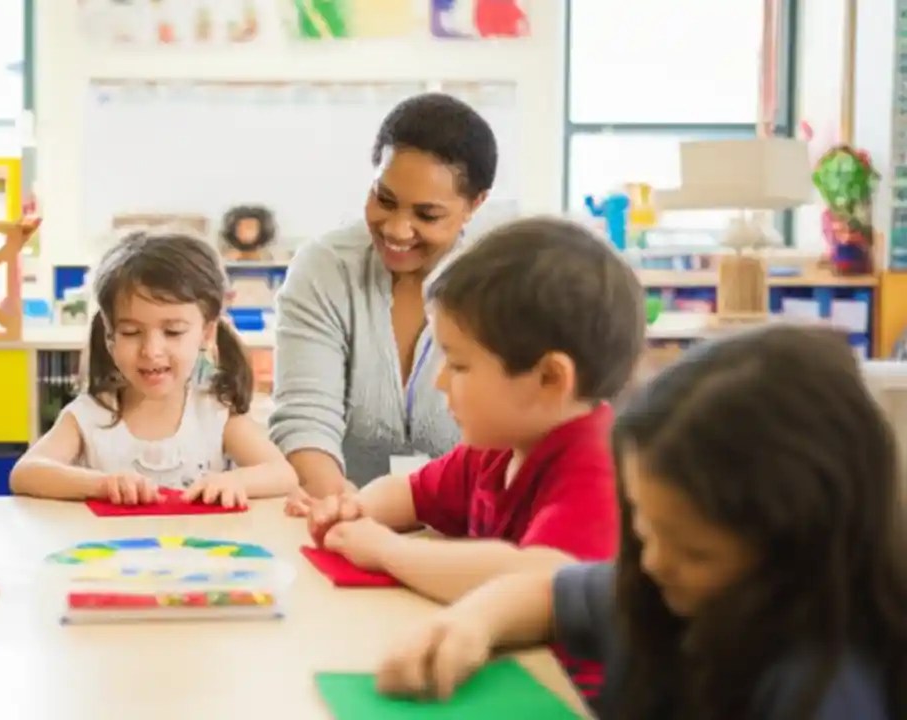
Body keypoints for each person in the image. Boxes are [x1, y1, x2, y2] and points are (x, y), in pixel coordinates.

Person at [376, 324, 907, 720]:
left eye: (694, 551)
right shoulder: (667, 589)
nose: (653, 561)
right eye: (645, 530)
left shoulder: (822, 693)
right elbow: (544, 592)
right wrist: (469, 624)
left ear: (802, 547)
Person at [299, 216, 645, 699]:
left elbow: (539, 579)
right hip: (496, 666)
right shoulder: (494, 450)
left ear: (549, 379)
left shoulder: (597, 464)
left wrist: (389, 551)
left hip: (569, 698)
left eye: (459, 364)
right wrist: (356, 509)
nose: (440, 383)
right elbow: (410, 493)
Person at [269, 92, 498, 495]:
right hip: (339, 514)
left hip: (473, 525)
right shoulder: (324, 268)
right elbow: (305, 420)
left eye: (426, 215)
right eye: (384, 199)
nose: (396, 229)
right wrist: (347, 512)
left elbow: (516, 437)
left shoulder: (503, 282)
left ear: (475, 204)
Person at [10, 231, 297, 507]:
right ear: (110, 337)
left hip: (199, 554)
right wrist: (101, 484)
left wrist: (236, 482)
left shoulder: (215, 413)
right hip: (109, 553)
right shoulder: (91, 415)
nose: (151, 350)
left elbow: (283, 474)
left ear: (206, 334)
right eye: (131, 332)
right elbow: (26, 473)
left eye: (172, 332)